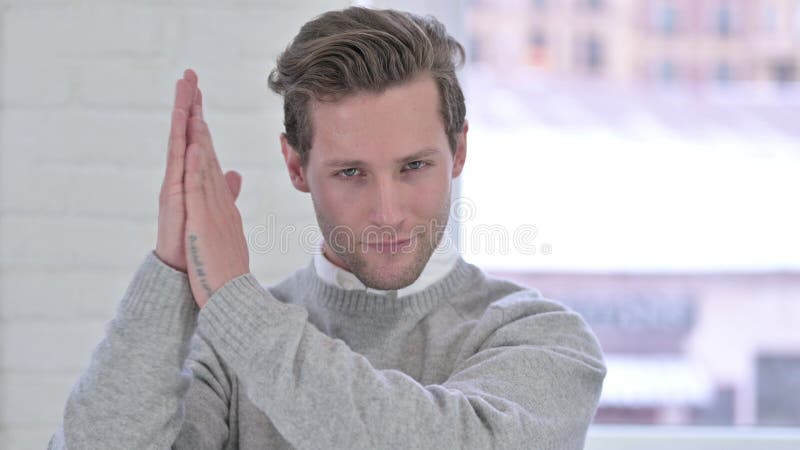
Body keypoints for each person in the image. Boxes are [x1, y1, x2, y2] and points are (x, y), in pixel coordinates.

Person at [48, 6, 605, 449]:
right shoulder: (224, 347)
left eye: (414, 166)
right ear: (296, 167)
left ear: (458, 152)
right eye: (351, 173)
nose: (387, 212)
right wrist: (172, 270)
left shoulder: (545, 339)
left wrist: (235, 304)